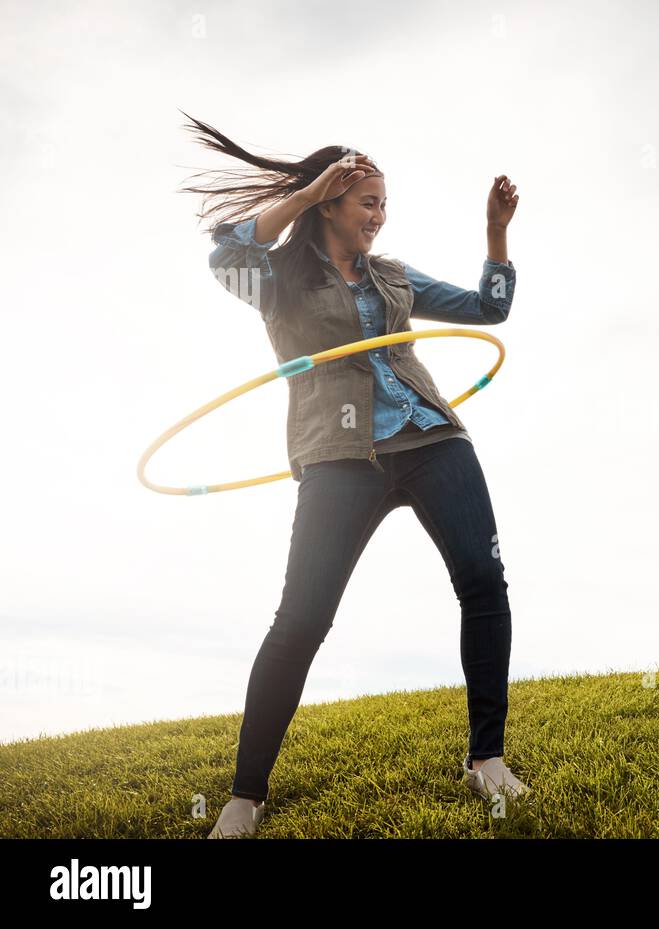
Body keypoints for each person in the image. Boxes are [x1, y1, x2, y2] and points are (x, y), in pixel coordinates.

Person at [176, 112, 529, 838]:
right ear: (331, 201)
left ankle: (486, 758)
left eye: (384, 204)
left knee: (483, 583)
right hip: (340, 457)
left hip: (432, 437)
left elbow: (489, 309)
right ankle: (246, 795)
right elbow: (224, 255)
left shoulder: (393, 275)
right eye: (367, 201)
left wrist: (496, 231)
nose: (379, 215)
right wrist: (302, 196)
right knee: (301, 619)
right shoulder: (276, 281)